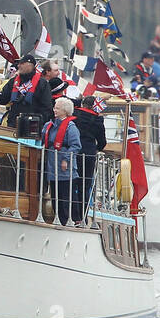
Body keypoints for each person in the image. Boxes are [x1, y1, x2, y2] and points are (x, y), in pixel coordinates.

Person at [40, 98, 82, 226]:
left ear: (65, 111)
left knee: (67, 196)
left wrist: (66, 159)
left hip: (65, 168)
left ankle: (72, 220)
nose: (54, 110)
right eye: (55, 107)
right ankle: (58, 218)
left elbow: (76, 146)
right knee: (55, 196)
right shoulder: (49, 125)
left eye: (57, 108)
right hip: (52, 166)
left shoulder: (71, 127)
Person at [70, 88, 107, 222]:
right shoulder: (98, 120)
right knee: (84, 186)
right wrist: (97, 149)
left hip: (73, 153)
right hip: (89, 154)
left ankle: (73, 215)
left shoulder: (74, 114)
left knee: (71, 184)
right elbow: (103, 142)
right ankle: (83, 216)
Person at [0, 54, 53, 136]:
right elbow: (4, 99)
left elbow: (47, 108)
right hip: (13, 124)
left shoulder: (42, 84)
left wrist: (39, 123)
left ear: (30, 65)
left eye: (22, 63)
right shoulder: (13, 81)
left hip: (32, 127)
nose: (19, 66)